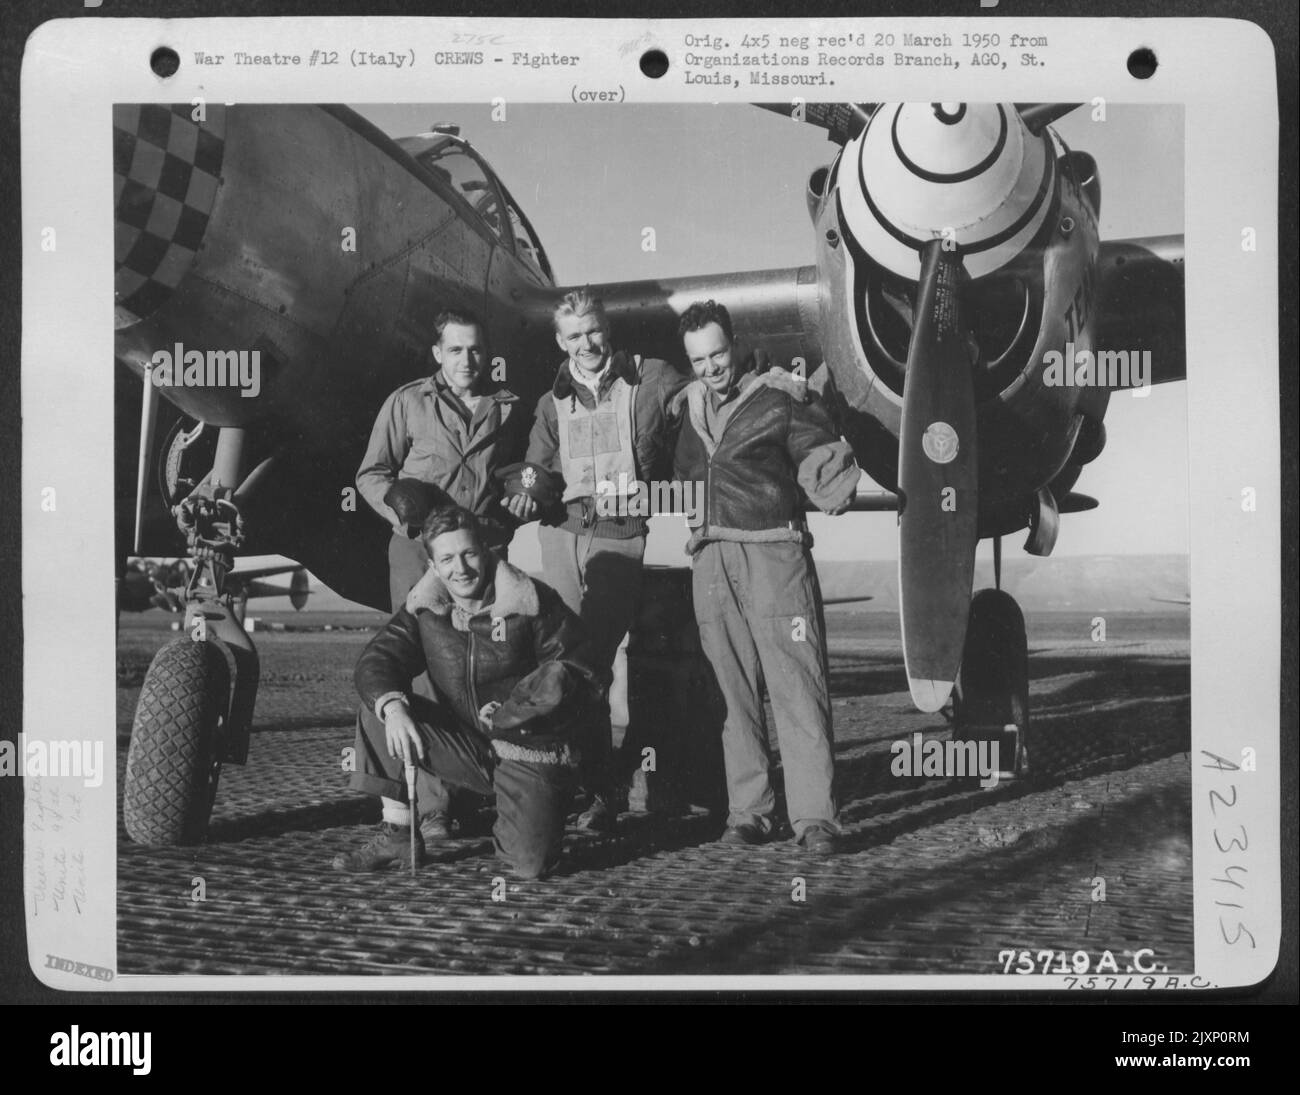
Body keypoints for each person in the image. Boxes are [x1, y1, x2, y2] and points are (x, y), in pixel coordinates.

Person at [672, 300, 859, 855]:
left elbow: (820, 453)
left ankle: (815, 818)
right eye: (699, 360)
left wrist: (833, 479)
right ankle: (749, 811)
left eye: (718, 354)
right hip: (711, 558)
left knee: (796, 686)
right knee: (730, 692)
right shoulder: (688, 408)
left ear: (735, 344)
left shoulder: (778, 395)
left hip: (774, 553)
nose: (711, 367)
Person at [334, 505, 603, 880]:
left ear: (486, 551)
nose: (460, 568)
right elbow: (378, 660)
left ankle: (528, 813)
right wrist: (392, 707)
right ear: (433, 565)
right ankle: (399, 833)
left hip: (528, 750)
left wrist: (520, 712)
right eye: (447, 559)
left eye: (469, 554)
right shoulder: (424, 609)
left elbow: (583, 673)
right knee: (379, 707)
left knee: (529, 865)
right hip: (470, 748)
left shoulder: (534, 602)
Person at [503, 288, 684, 832]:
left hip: (619, 533)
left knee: (591, 663)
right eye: (574, 335)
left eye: (593, 330)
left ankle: (602, 789)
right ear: (561, 342)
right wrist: (523, 495)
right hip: (561, 533)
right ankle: (578, 785)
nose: (586, 343)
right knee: (564, 659)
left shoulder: (653, 378)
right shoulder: (549, 402)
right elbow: (535, 469)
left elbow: (699, 400)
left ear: (608, 330)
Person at [356, 308, 526, 838]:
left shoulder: (508, 408)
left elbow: (524, 474)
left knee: (478, 668)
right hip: (419, 553)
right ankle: (430, 806)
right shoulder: (407, 402)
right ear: (437, 353)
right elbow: (371, 473)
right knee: (422, 669)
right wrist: (400, 510)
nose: (466, 359)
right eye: (455, 349)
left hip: (480, 558)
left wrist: (523, 498)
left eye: (475, 349)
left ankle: (482, 784)